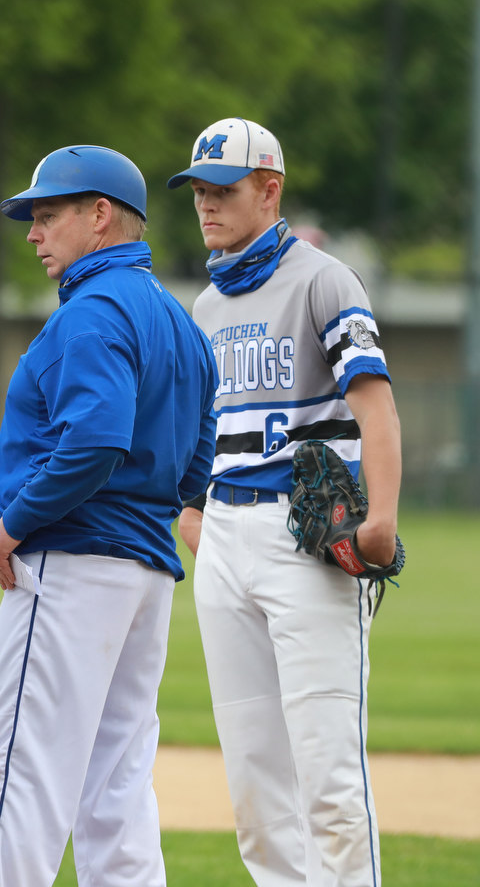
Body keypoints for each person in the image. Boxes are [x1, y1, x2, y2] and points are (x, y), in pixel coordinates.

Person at [0, 145, 217, 887]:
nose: (33, 233)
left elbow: (97, 439)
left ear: (100, 215)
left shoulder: (93, 311)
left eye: (48, 215)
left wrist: (12, 527)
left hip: (71, 565)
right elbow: (198, 459)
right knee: (117, 787)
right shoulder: (179, 322)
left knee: (23, 778)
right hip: (145, 575)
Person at [170, 117, 401, 887]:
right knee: (256, 790)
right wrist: (195, 513)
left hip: (306, 541)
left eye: (223, 189)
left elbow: (375, 407)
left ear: (269, 190)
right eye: (198, 191)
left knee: (329, 778)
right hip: (226, 537)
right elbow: (205, 432)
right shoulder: (206, 305)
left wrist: (380, 519)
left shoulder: (323, 280)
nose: (206, 204)